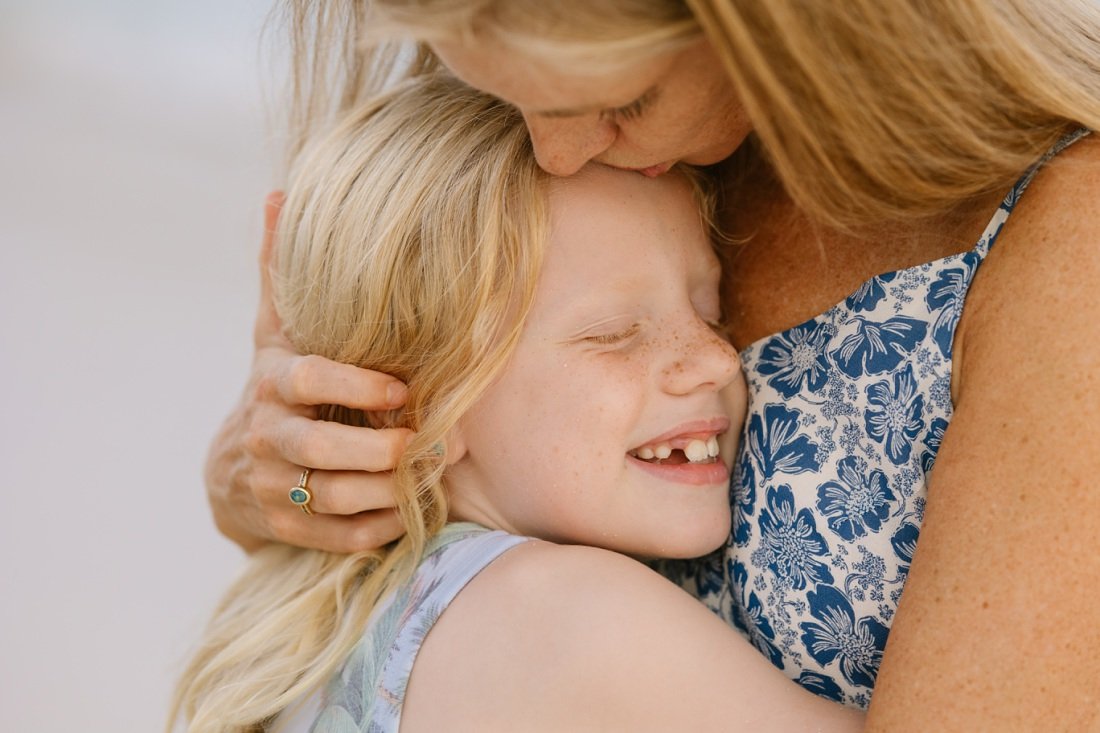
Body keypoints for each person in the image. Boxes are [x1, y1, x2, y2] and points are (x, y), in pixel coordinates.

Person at [205, 1, 1100, 728]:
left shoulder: (1065, 242)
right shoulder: (533, 171)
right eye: (505, 93)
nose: (556, 151)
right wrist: (279, 472)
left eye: (621, 101)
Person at [174, 74, 863, 733]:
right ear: (416, 405)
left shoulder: (337, 627)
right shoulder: (570, 617)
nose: (717, 358)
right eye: (616, 334)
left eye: (711, 311)